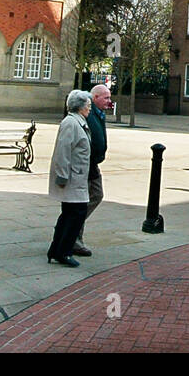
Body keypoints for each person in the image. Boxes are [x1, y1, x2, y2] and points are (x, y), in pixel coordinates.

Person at [47, 90, 94, 267]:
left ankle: (56, 250)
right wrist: (62, 176)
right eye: (88, 105)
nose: (89, 108)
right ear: (80, 107)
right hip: (72, 178)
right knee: (75, 214)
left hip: (77, 177)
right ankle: (63, 252)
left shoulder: (77, 122)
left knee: (69, 214)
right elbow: (63, 151)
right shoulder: (71, 123)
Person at [73, 84, 111, 257]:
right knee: (89, 197)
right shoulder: (88, 113)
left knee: (95, 195)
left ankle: (71, 229)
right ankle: (72, 233)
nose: (109, 101)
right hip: (85, 164)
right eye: (106, 98)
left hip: (92, 164)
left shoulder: (98, 113)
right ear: (95, 98)